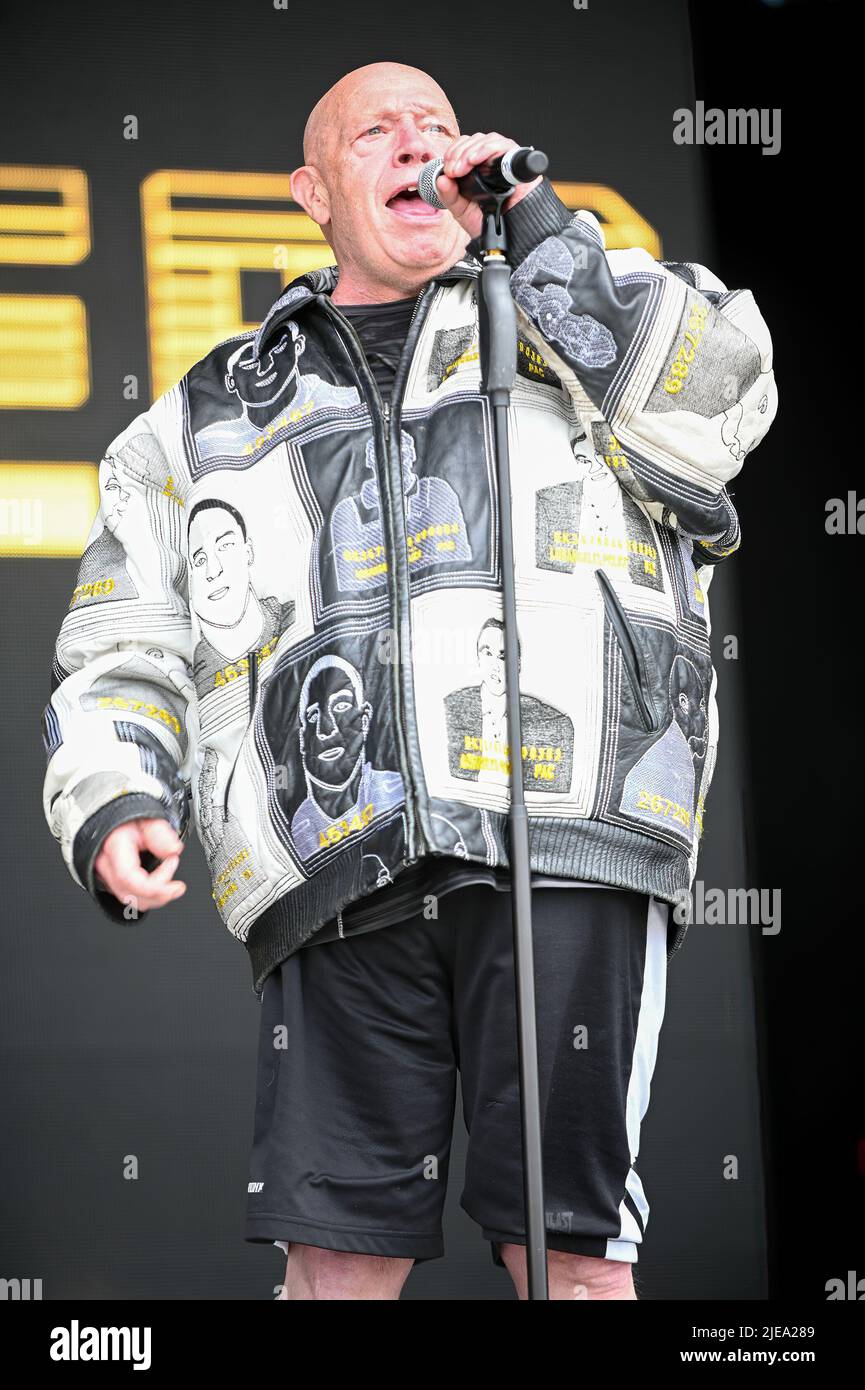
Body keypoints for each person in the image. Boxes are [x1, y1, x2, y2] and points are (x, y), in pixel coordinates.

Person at [41, 61, 777, 1300]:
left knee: (576, 1248)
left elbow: (726, 398)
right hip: (338, 862)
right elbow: (126, 632)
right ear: (310, 190)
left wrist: (537, 236)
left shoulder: (572, 311)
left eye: (437, 127)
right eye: (377, 131)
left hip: (567, 840)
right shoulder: (214, 408)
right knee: (333, 1261)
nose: (420, 144)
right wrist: (114, 794)